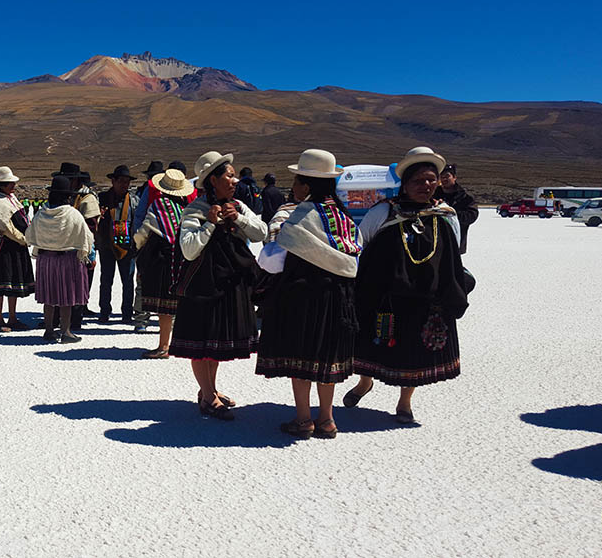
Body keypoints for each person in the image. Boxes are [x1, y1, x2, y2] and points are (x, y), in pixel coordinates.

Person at [343, 146, 470, 424]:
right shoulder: (384, 212)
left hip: (427, 298)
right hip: (383, 296)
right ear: (405, 184)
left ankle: (405, 402)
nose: (425, 186)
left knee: (414, 353)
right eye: (417, 181)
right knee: (371, 344)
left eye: (430, 180)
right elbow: (359, 244)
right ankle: (365, 383)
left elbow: (452, 256)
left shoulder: (445, 214)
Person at [255, 150, 362, 439]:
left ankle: (303, 419)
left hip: (302, 294)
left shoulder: (302, 215)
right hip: (338, 296)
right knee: (327, 355)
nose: (294, 186)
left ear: (306, 185)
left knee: (300, 355)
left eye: (297, 181)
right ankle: (327, 419)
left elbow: (273, 261)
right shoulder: (343, 217)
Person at [170, 151, 268, 420]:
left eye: (234, 175)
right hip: (202, 286)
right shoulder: (194, 211)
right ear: (213, 180)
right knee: (202, 341)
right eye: (229, 175)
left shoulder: (237, 206)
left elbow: (261, 232)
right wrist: (210, 225)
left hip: (228, 284)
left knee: (213, 343)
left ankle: (209, 390)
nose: (234, 181)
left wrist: (239, 218)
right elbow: (189, 250)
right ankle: (207, 395)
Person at [133, 169, 196, 359]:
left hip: (161, 260)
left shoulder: (159, 205)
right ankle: (175, 343)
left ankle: (164, 346)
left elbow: (144, 230)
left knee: (164, 308)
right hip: (182, 257)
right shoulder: (186, 207)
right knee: (177, 303)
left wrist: (136, 243)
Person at [26, 176, 95, 344]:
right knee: (67, 297)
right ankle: (66, 332)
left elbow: (30, 235)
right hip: (68, 259)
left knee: (49, 297)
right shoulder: (72, 214)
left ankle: (49, 330)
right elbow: (87, 237)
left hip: (46, 259)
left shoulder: (41, 214)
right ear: (68, 196)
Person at [0, 166, 35, 332]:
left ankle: (12, 316)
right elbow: (4, 226)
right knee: (1, 282)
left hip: (14, 248)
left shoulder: (9, 198)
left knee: (13, 282)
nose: (14, 186)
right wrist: (22, 239)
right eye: (10, 183)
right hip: (2, 249)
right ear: (0, 184)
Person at [53, 162, 100, 328]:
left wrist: (88, 252)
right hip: (66, 247)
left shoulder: (88, 199)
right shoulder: (70, 196)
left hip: (80, 248)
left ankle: (74, 320)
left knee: (79, 285)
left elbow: (91, 228)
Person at [96, 165, 139, 324]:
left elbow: (137, 221)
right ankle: (104, 311)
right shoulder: (102, 199)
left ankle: (127, 313)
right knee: (106, 280)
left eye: (127, 182)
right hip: (107, 246)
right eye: (121, 181)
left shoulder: (134, 200)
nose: (124, 185)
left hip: (128, 248)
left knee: (128, 281)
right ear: (112, 181)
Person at [434, 164, 479, 254]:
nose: (444, 179)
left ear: (454, 177)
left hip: (456, 242)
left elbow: (471, 216)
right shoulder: (433, 194)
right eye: (441, 177)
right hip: (434, 243)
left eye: (447, 176)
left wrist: (450, 213)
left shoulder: (465, 197)